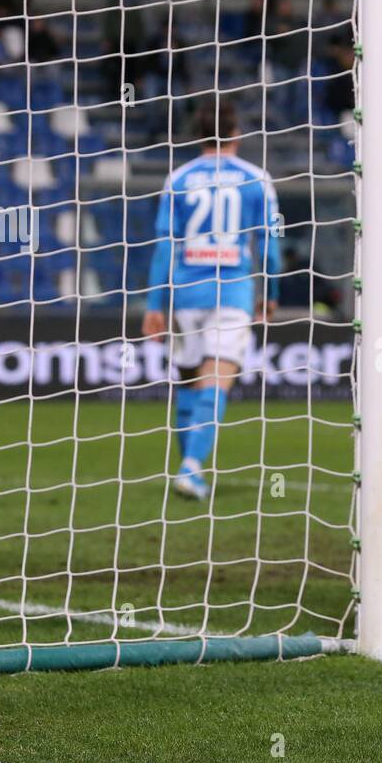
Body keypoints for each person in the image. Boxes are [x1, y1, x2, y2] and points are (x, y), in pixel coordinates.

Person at [143, 102, 281, 500]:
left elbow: (164, 247)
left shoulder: (179, 178)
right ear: (236, 133)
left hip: (186, 292)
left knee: (188, 381)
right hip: (232, 291)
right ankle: (191, 467)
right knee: (216, 379)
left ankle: (189, 467)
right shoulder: (256, 178)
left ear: (200, 134)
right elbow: (269, 245)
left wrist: (154, 303)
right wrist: (270, 292)